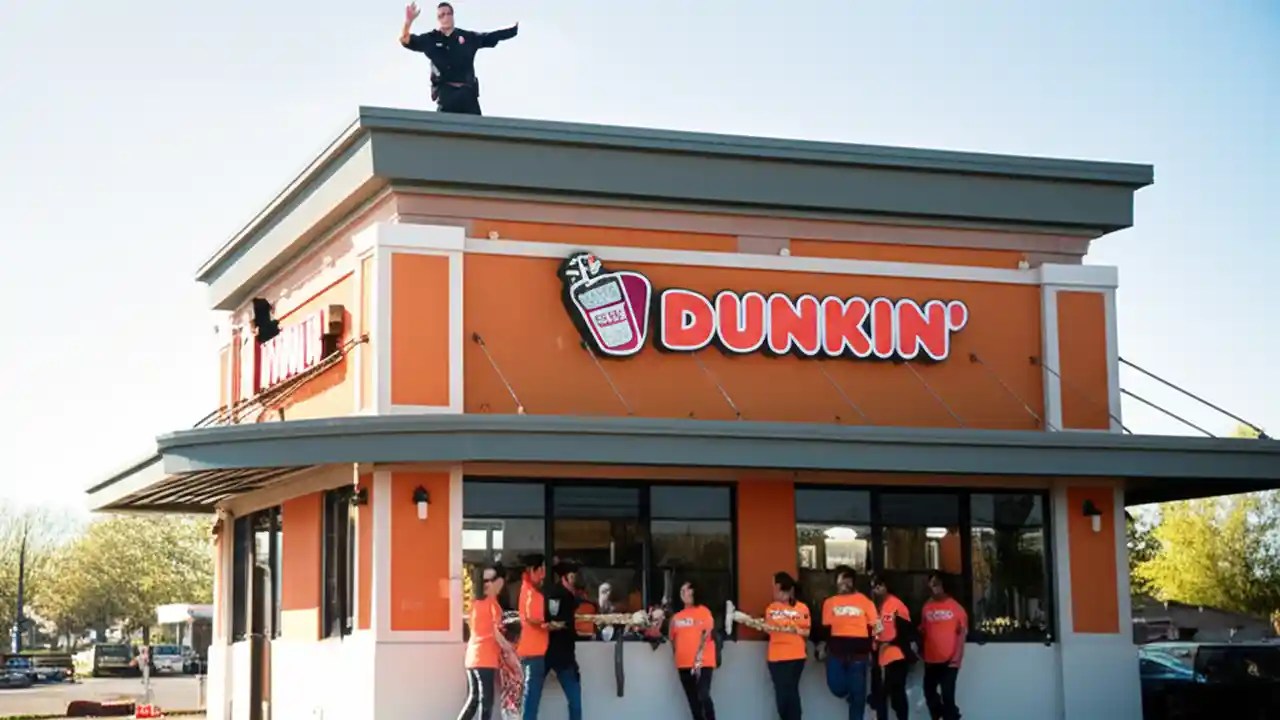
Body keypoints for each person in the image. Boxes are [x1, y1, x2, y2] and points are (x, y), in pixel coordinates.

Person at [399, 2, 519, 115]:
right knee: (443, 130)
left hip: (467, 94)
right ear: (438, 19)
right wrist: (408, 22)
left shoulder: (468, 38)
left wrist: (513, 30)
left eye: (448, 14)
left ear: (452, 15)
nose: (445, 17)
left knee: (479, 130)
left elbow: (490, 36)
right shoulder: (430, 39)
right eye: (441, 15)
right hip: (446, 94)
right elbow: (405, 40)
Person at [819, 565, 879, 720]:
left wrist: (875, 645)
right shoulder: (830, 603)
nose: (843, 583)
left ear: (853, 582)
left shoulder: (865, 602)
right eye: (840, 579)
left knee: (858, 699)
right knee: (836, 687)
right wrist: (822, 645)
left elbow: (876, 626)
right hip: (836, 652)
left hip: (859, 654)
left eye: (847, 580)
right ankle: (850, 692)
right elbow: (825, 628)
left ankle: (854, 694)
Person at [459, 564, 515, 720]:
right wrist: (510, 649)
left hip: (472, 657)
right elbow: (496, 632)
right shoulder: (493, 605)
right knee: (486, 701)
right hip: (485, 658)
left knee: (474, 699)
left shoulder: (475, 604)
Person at [920, 572, 966, 720]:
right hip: (931, 659)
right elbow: (923, 629)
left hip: (950, 660)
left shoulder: (956, 608)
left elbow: (962, 634)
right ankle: (941, 715)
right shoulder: (927, 607)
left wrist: (957, 657)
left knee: (947, 695)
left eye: (937, 584)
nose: (934, 588)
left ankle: (951, 716)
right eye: (932, 584)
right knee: (929, 692)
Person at [764, 572, 811, 720]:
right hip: (776, 657)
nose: (773, 590)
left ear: (781, 587)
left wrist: (792, 627)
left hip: (795, 656)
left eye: (774, 586)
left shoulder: (802, 608)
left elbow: (806, 630)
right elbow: (770, 628)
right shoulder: (771, 609)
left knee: (790, 691)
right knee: (781, 693)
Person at [670, 581, 717, 720]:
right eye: (682, 590)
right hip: (683, 664)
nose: (685, 593)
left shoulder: (704, 612)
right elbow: (672, 639)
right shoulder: (676, 617)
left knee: (703, 695)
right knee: (693, 703)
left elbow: (706, 635)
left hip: (702, 663)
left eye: (689, 590)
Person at [870, 574, 915, 720]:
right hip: (881, 659)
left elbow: (907, 631)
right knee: (880, 697)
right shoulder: (875, 608)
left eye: (879, 586)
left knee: (897, 695)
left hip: (897, 656)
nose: (877, 590)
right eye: (874, 587)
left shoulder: (896, 604)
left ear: (886, 586)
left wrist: (889, 642)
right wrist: (875, 644)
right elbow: (876, 631)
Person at [544, 561, 585, 720]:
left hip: (559, 651)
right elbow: (553, 619)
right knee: (575, 699)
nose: (575, 579)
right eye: (572, 576)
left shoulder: (566, 594)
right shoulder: (557, 594)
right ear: (565, 577)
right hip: (558, 652)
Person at [516, 554, 550, 719]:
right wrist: (548, 625)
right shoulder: (531, 593)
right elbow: (532, 618)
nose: (543, 574)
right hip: (535, 651)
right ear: (532, 570)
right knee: (531, 699)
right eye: (541, 570)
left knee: (530, 698)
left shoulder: (526, 589)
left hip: (530, 649)